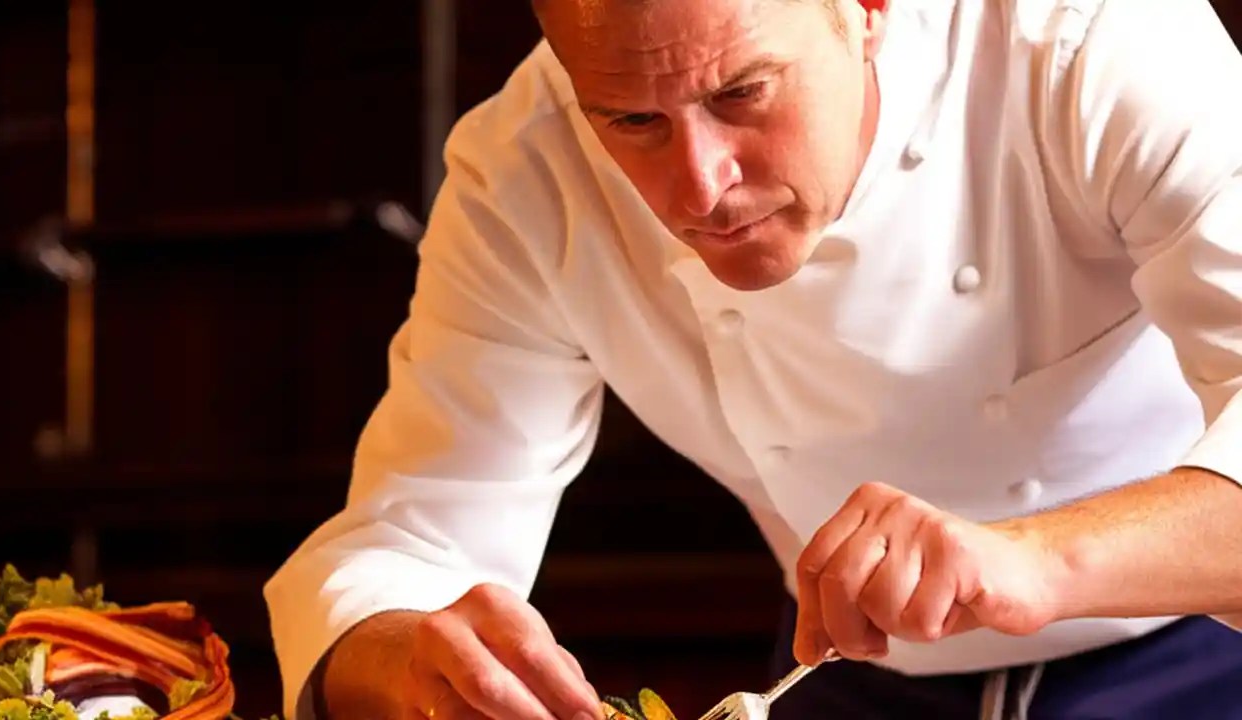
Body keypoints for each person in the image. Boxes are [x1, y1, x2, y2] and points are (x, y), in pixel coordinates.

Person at [263, 0, 1242, 717]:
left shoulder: (1086, 43)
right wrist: (406, 658)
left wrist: (1032, 557)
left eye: (741, 94)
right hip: (839, 675)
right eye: (631, 121)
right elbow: (410, 537)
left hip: (1196, 653)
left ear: (865, 13)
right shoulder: (525, 168)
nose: (698, 187)